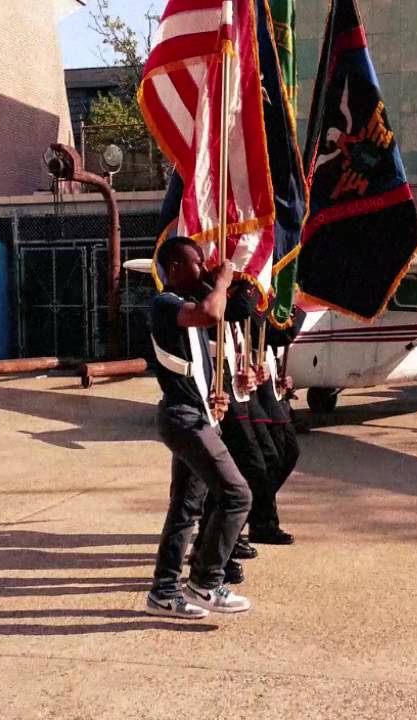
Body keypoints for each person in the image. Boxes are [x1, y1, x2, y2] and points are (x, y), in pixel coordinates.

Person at [144, 236, 253, 619]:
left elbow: (192, 365)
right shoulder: (165, 304)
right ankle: (205, 582)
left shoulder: (184, 309)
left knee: (185, 510)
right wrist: (220, 281)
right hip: (183, 420)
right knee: (238, 495)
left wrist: (212, 400)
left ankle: (163, 592)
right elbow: (211, 312)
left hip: (196, 414)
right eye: (197, 261)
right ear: (174, 266)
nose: (204, 267)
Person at [248, 309, 304, 544]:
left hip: (274, 397)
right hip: (256, 400)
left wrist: (282, 380)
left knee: (288, 454)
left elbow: (283, 336)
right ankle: (261, 521)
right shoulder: (251, 315)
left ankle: (254, 514)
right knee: (268, 461)